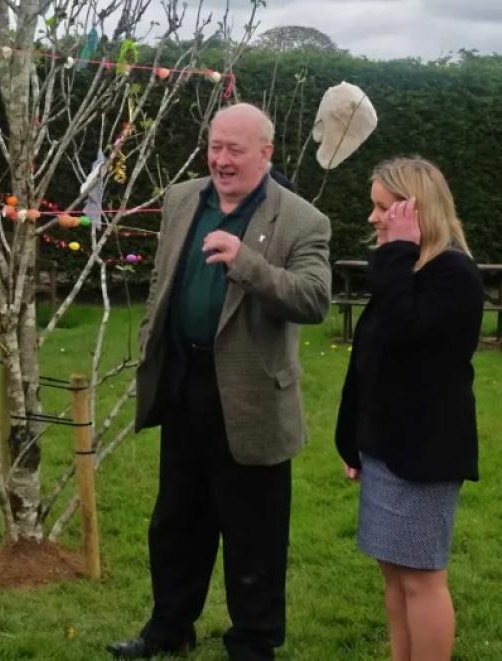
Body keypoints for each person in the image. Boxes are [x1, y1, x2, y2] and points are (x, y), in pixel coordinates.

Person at [107, 103, 331, 660]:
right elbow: (165, 276)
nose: (222, 160)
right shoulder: (185, 199)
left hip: (252, 398)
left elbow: (314, 299)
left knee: (254, 534)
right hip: (184, 383)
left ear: (265, 153)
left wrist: (247, 266)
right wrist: (149, 335)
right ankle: (168, 629)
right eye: (215, 147)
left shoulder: (302, 220)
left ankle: (253, 644)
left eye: (235, 150)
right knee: (176, 521)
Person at [335, 157, 484, 661]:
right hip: (385, 446)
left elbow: (405, 334)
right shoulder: (404, 268)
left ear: (414, 209)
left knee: (422, 580)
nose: (374, 217)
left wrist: (396, 253)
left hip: (424, 454)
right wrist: (352, 437)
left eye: (383, 207)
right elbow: (370, 361)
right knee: (395, 577)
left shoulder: (453, 274)